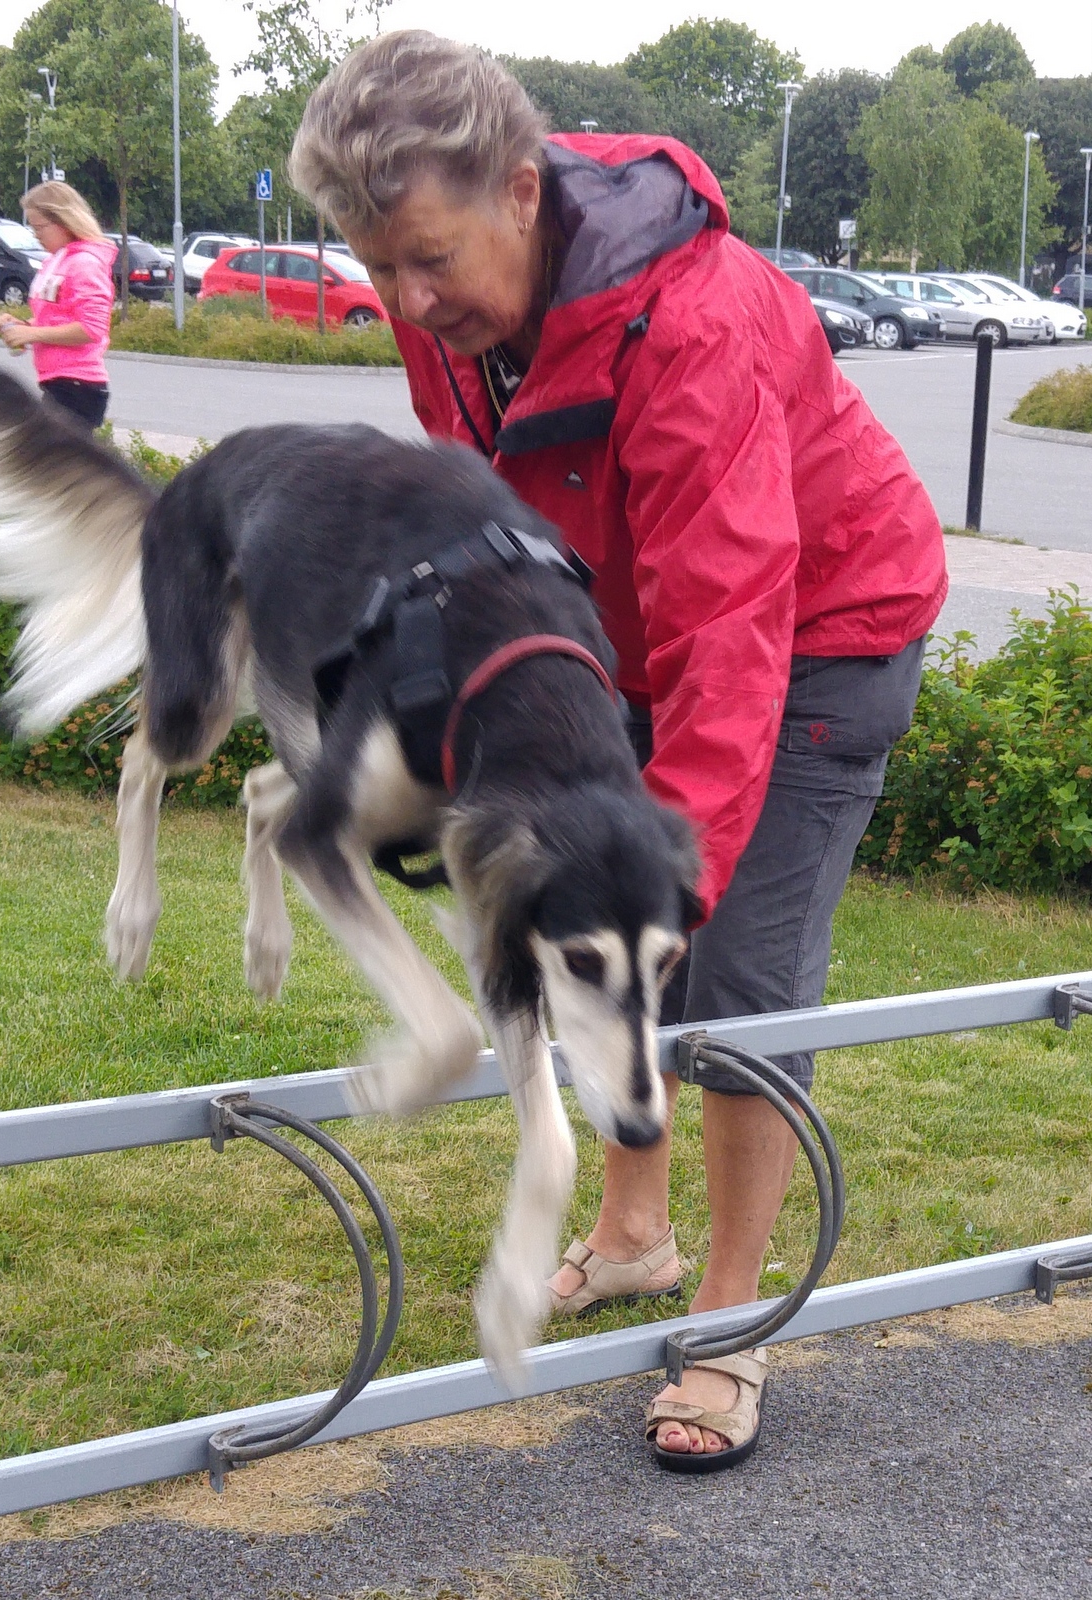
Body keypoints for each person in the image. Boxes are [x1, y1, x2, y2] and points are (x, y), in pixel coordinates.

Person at [290, 32, 947, 1471]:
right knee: (600, 920)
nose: (405, 301)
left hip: (822, 628)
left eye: (426, 260)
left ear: (521, 193)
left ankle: (725, 1321)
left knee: (729, 974)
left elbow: (736, 624)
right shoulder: (445, 302)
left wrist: (671, 876)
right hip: (629, 627)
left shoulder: (691, 321)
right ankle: (636, 1232)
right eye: (375, 269)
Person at [0, 180, 115, 430]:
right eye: (32, 227)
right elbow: (57, 320)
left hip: (77, 386)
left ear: (64, 221)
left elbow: (92, 329)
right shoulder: (57, 261)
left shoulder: (84, 263)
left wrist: (32, 333)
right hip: (60, 383)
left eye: (40, 227)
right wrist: (21, 327)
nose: (36, 234)